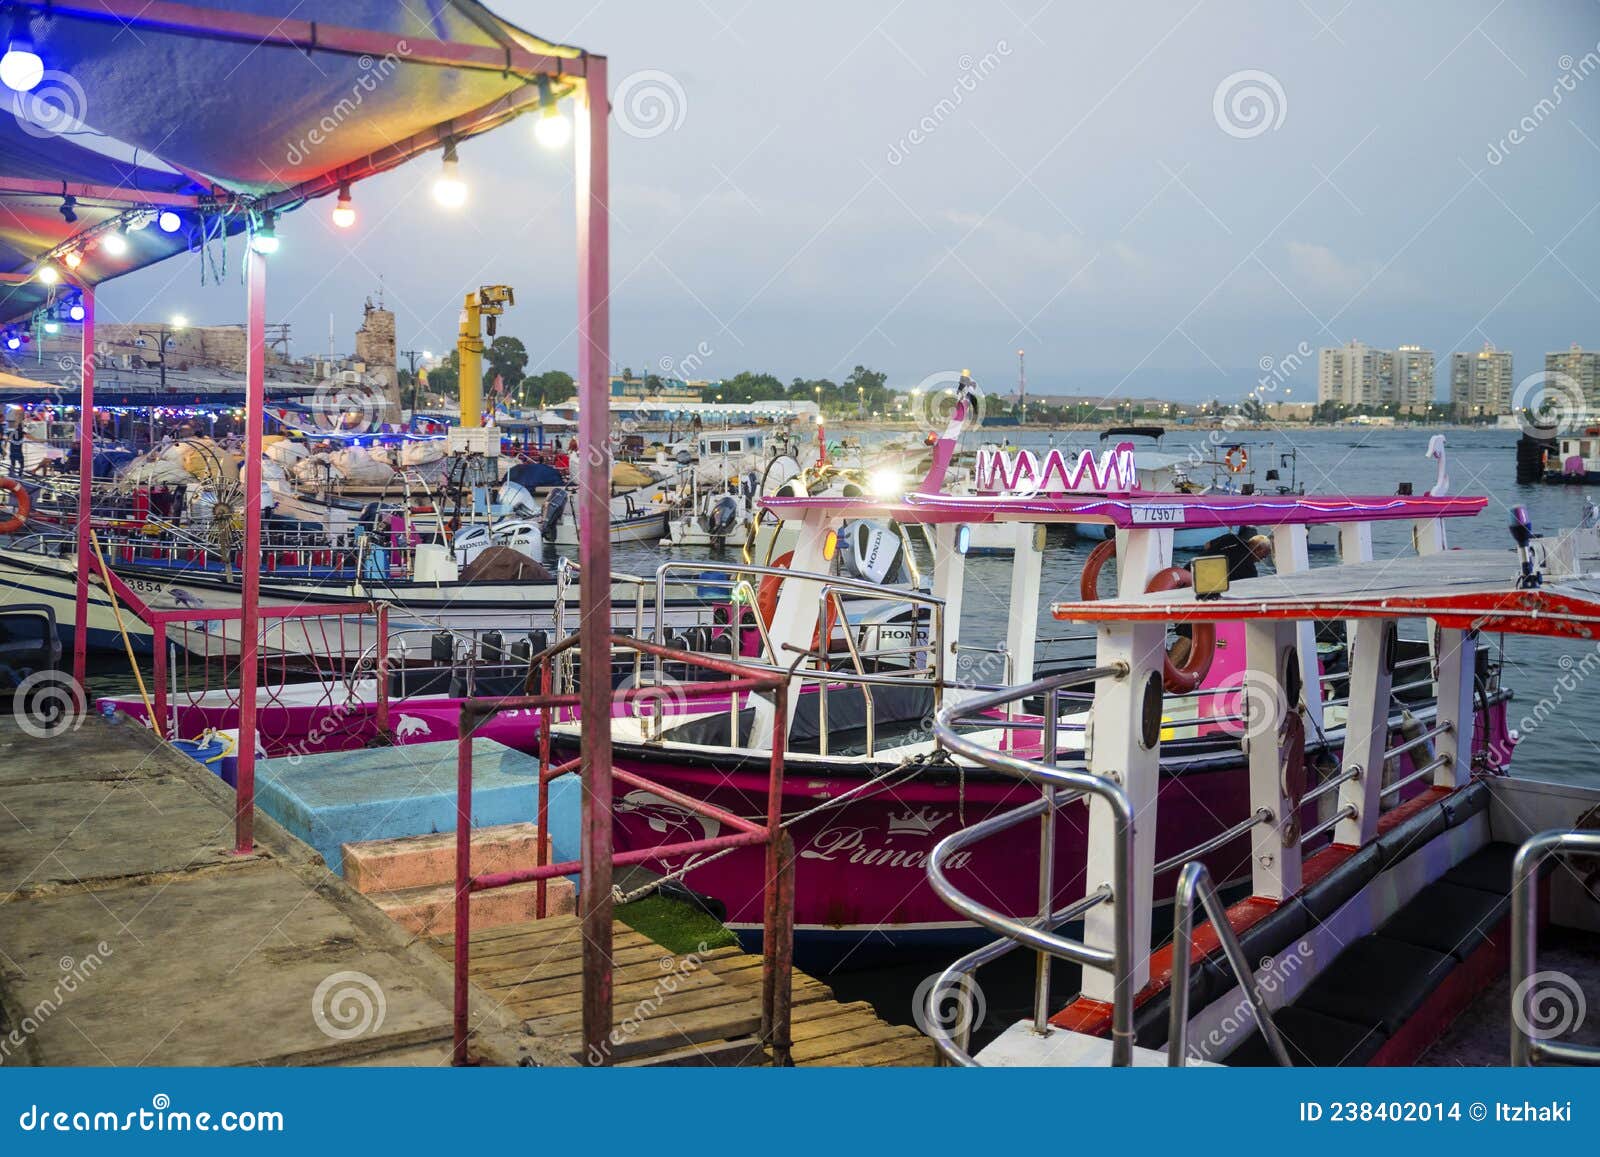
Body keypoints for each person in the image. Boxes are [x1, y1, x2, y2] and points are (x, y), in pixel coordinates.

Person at [1200, 525, 1273, 581]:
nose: (1260, 561)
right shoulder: (1250, 571)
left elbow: (1207, 545)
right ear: (1258, 550)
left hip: (1196, 567)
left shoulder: (1231, 538)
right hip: (1206, 580)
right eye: (1262, 557)